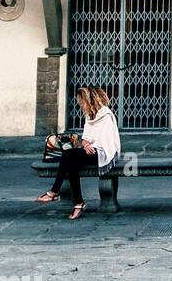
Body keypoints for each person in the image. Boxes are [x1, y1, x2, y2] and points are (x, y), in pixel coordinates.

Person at [36, 86, 121, 220]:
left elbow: (107, 140)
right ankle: (78, 203)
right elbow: (85, 138)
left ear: (89, 101)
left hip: (103, 152)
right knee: (71, 165)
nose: (81, 105)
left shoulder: (106, 115)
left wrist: (90, 146)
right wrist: (86, 145)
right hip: (90, 150)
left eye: (82, 102)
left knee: (68, 155)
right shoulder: (89, 116)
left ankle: (54, 192)